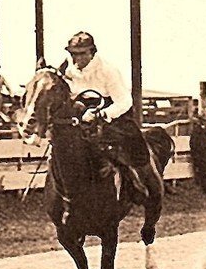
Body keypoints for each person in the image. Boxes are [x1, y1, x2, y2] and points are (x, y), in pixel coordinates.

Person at [60, 30, 163, 199]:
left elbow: (124, 102)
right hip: (82, 117)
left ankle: (144, 186)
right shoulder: (70, 72)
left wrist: (100, 114)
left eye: (81, 54)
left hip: (112, 117)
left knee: (136, 147)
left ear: (92, 52)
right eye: (73, 54)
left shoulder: (108, 71)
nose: (77, 58)